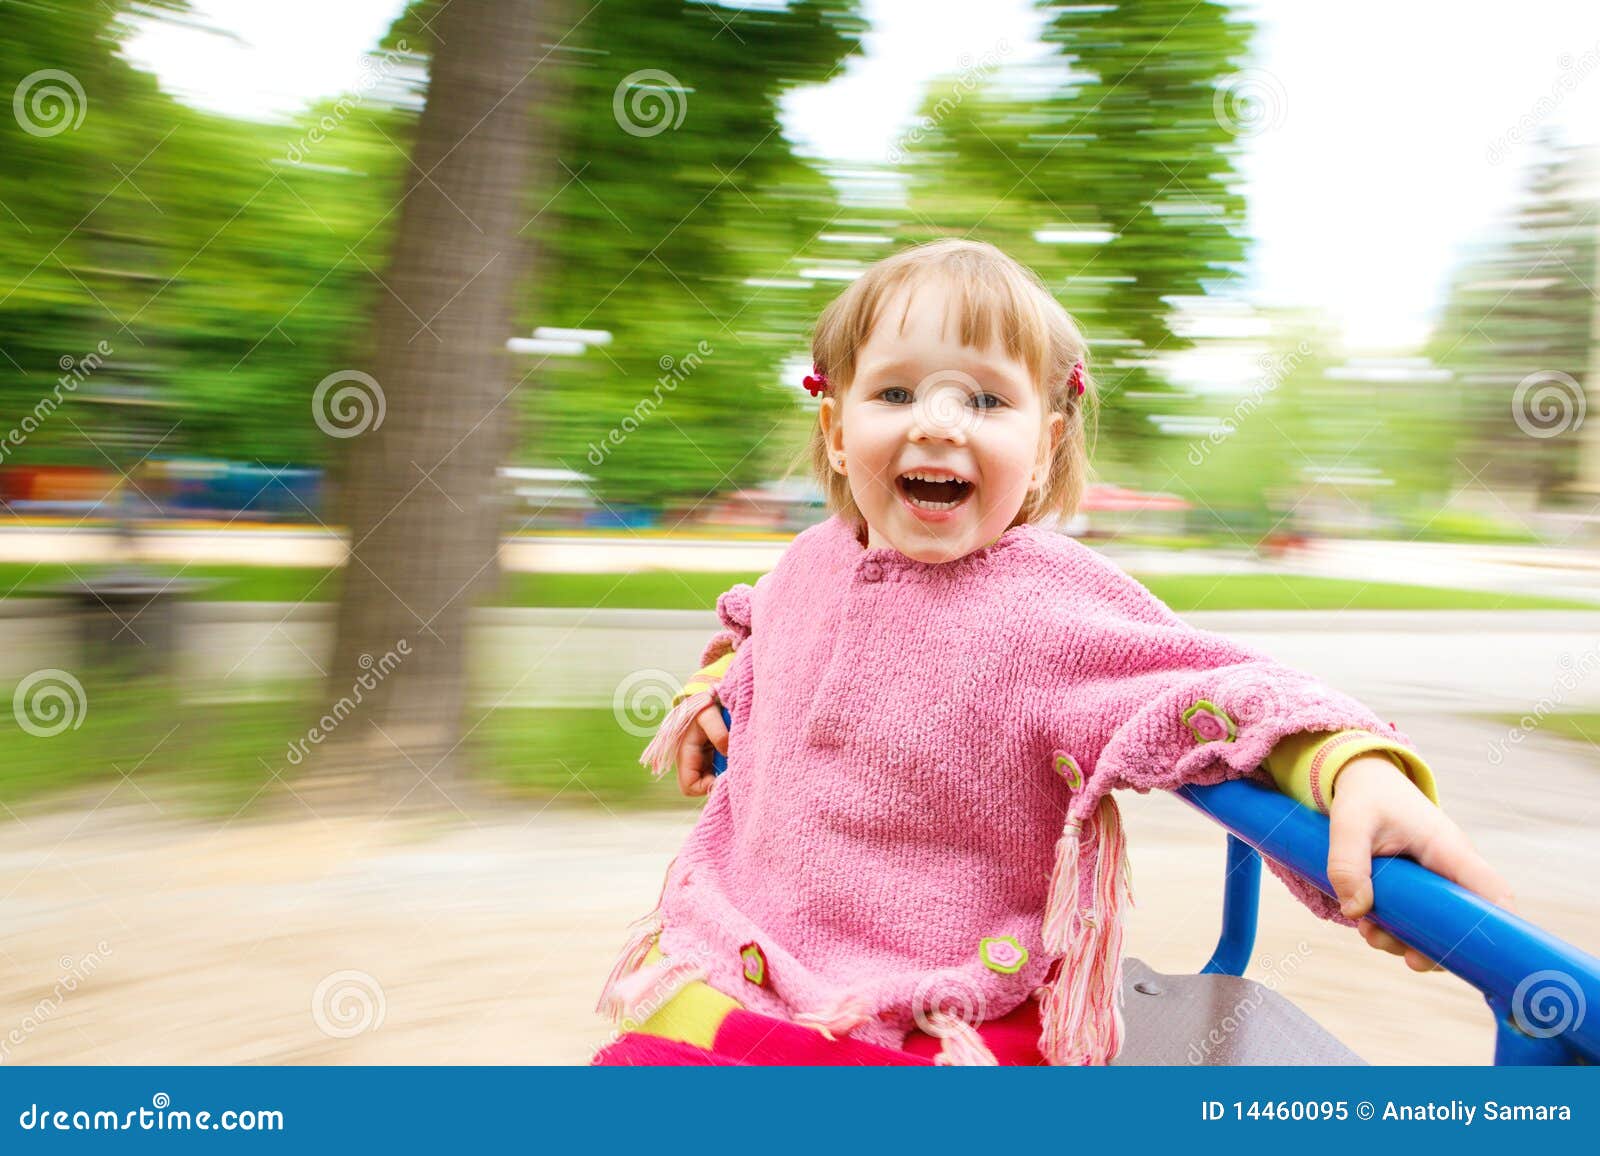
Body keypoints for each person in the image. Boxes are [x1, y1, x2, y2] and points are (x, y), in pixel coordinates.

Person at [592, 238, 1513, 1067]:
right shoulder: (811, 559)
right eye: (896, 392)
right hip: (739, 947)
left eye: (986, 399)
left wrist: (1354, 771)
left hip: (929, 1010)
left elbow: (1215, 692)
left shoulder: (1045, 601)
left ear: (1044, 446)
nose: (939, 422)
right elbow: (763, 629)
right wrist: (717, 685)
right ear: (837, 431)